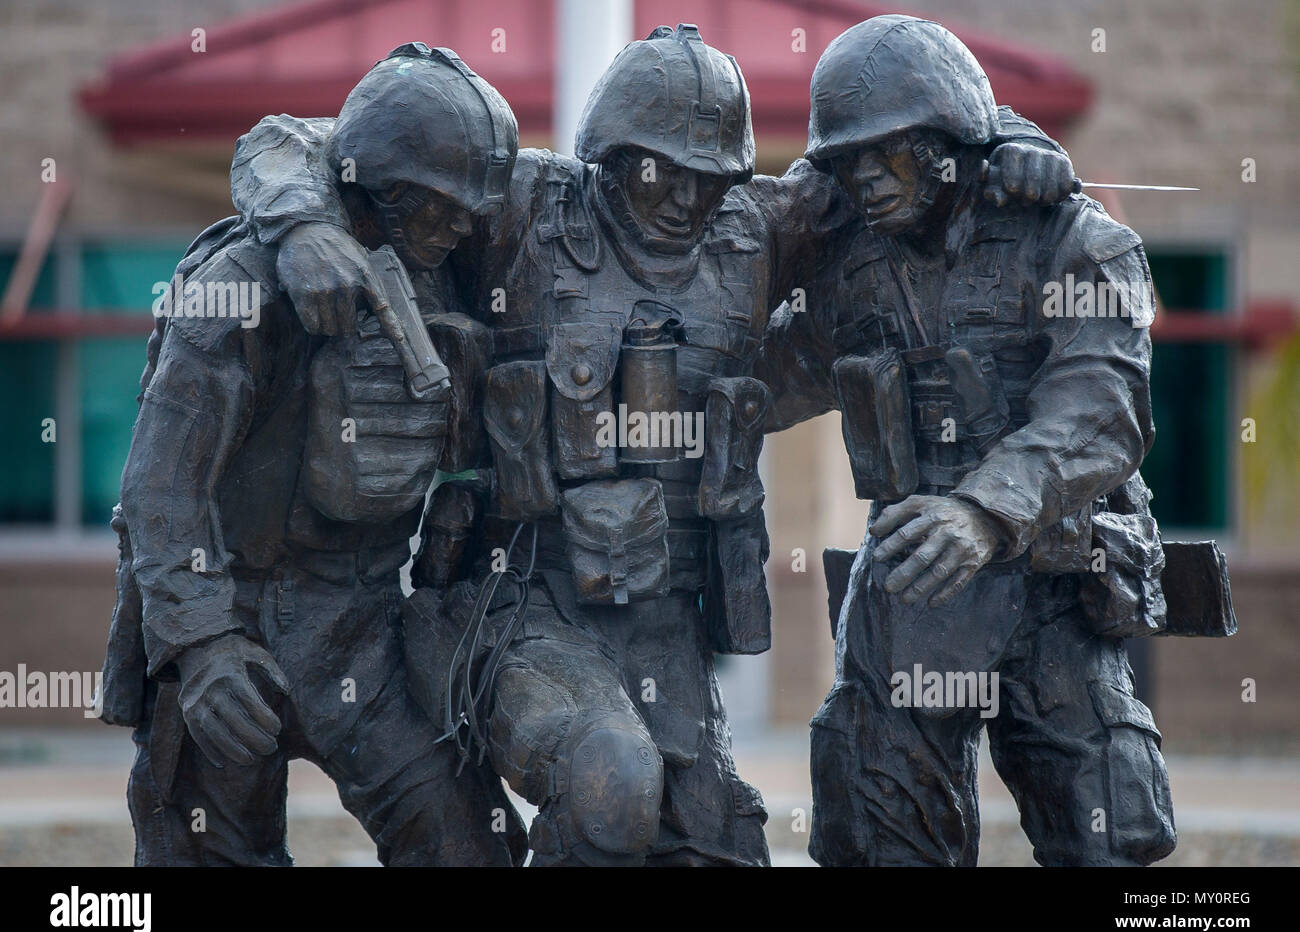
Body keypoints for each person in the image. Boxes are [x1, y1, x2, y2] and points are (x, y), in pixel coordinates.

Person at [224, 23, 1075, 866]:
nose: (687, 201)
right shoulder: (521, 209)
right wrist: (302, 228)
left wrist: (1007, 138)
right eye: (660, 172)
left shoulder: (757, 227)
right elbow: (296, 142)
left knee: (714, 850)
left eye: (711, 180)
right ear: (610, 155)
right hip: (519, 599)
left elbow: (902, 143)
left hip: (664, 622)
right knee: (609, 786)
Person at [759, 15, 1176, 866]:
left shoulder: (1072, 239)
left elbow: (1103, 406)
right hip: (911, 596)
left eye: (891, 153)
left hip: (1057, 592)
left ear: (953, 136)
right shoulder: (849, 262)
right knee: (878, 840)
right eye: (847, 162)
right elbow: (758, 382)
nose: (867, 179)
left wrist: (985, 511)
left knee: (1108, 834)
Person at [99, 44, 527, 866]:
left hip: (362, 623)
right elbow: (160, 491)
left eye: (468, 210)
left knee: (468, 844)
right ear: (373, 182)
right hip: (233, 617)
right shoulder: (238, 289)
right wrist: (203, 645)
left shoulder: (440, 279)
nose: (458, 227)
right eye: (434, 205)